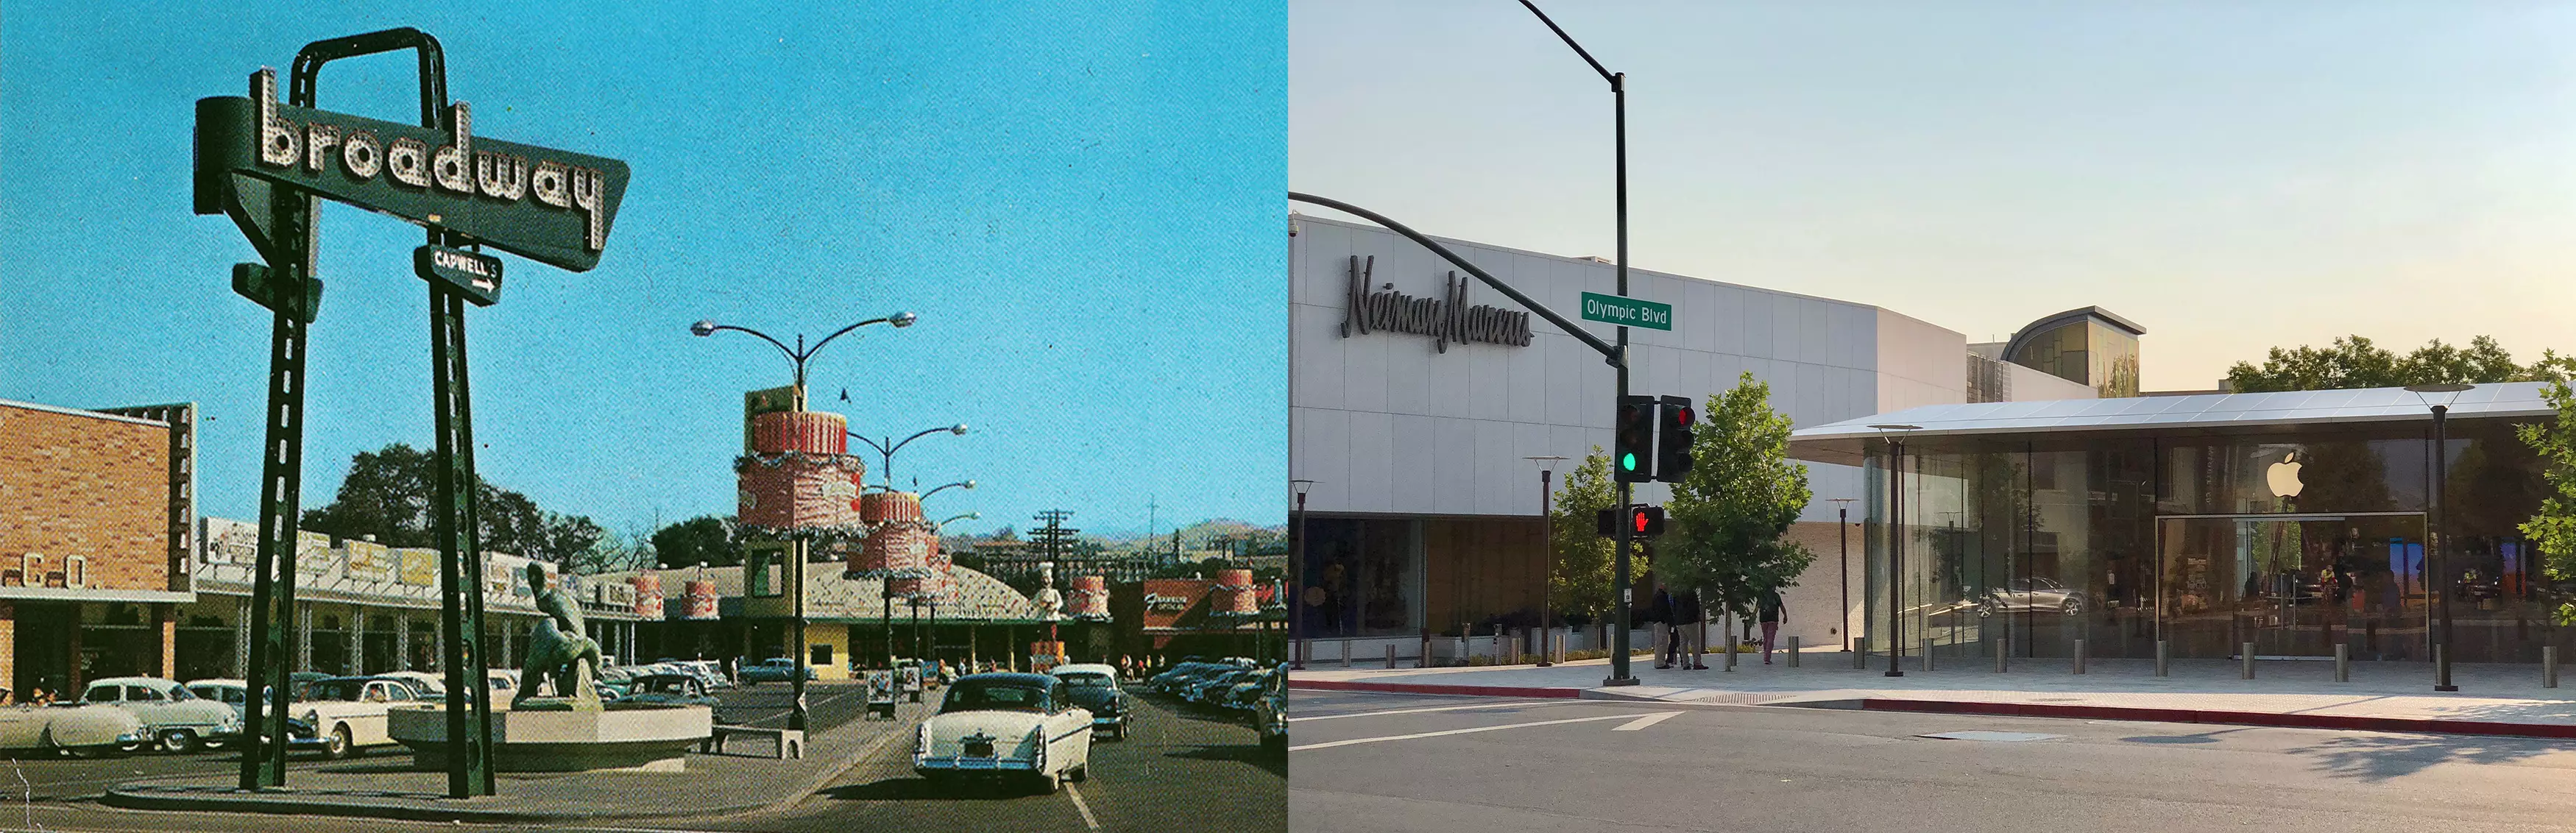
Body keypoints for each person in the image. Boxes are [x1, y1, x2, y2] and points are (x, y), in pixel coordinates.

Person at [1758, 586, 1788, 664]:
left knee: (1766, 638)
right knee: (1770, 639)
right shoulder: (1776, 596)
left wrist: (1753, 617)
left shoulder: (1762, 596)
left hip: (1763, 619)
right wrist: (1785, 615)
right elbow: (1782, 606)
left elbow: (1757, 607)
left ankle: (1766, 656)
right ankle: (1767, 658)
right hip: (1773, 619)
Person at [1653, 582, 1679, 670]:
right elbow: (1665, 611)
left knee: (1661, 643)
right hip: (1662, 622)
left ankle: (1659, 661)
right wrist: (1670, 622)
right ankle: (1660, 663)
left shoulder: (1658, 596)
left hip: (1660, 622)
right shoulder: (1662, 597)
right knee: (1662, 643)